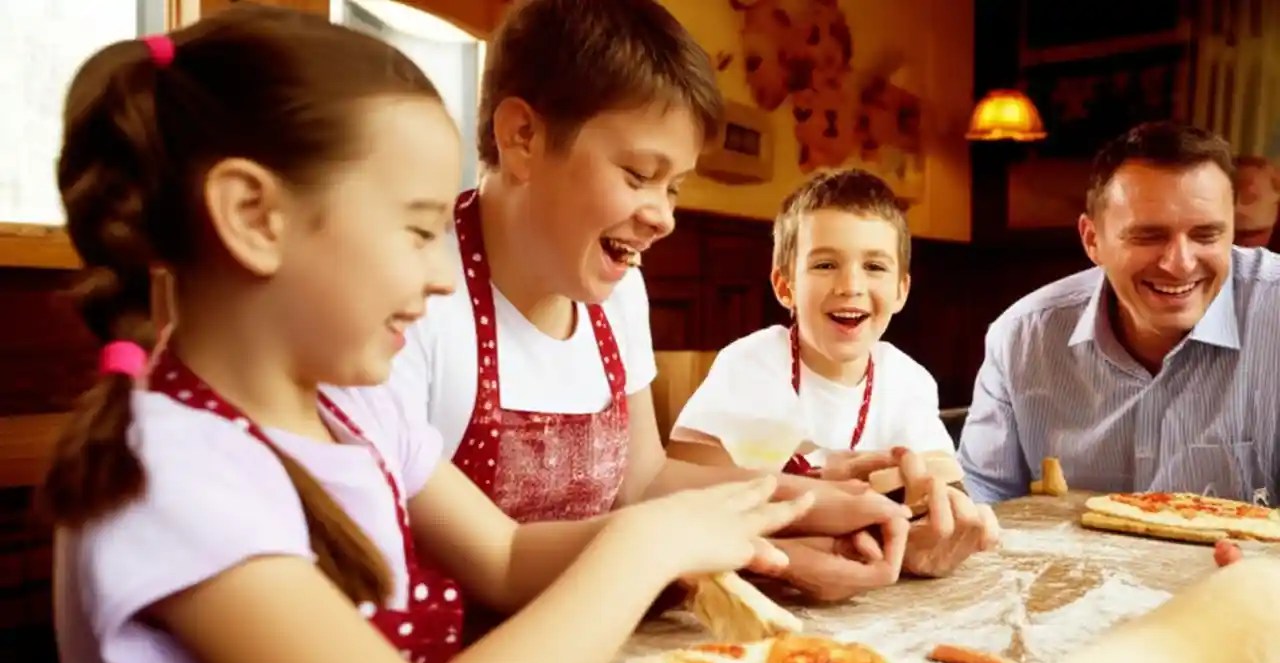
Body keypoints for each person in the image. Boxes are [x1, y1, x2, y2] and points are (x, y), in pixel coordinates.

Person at [41, 8, 852, 663]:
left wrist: (748, 519)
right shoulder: (170, 478)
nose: (439, 274)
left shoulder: (353, 410)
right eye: (415, 227)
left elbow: (501, 557)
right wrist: (645, 549)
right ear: (255, 216)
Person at [389, 0, 958, 606]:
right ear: (522, 137)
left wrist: (828, 505)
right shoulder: (409, 300)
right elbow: (497, 560)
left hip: (604, 625)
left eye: (675, 186)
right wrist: (772, 545)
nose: (664, 218)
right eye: (638, 175)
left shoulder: (617, 290)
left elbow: (644, 480)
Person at [667, 169, 1000, 593]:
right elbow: (681, 483)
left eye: (874, 266)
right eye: (825, 264)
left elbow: (942, 488)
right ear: (784, 285)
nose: (851, 286)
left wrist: (941, 522)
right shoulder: (749, 366)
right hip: (758, 580)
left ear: (901, 291)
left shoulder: (909, 381)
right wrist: (819, 485)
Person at [960, 121, 1280, 504]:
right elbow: (984, 504)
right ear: (1093, 240)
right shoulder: (1020, 338)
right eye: (1149, 236)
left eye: (1206, 236)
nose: (1179, 264)